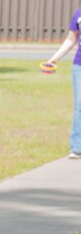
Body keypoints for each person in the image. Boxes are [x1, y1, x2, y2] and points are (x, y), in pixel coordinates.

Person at [42, 8, 81, 159]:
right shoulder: (79, 14)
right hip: (79, 65)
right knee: (79, 105)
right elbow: (71, 39)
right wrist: (54, 59)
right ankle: (77, 148)